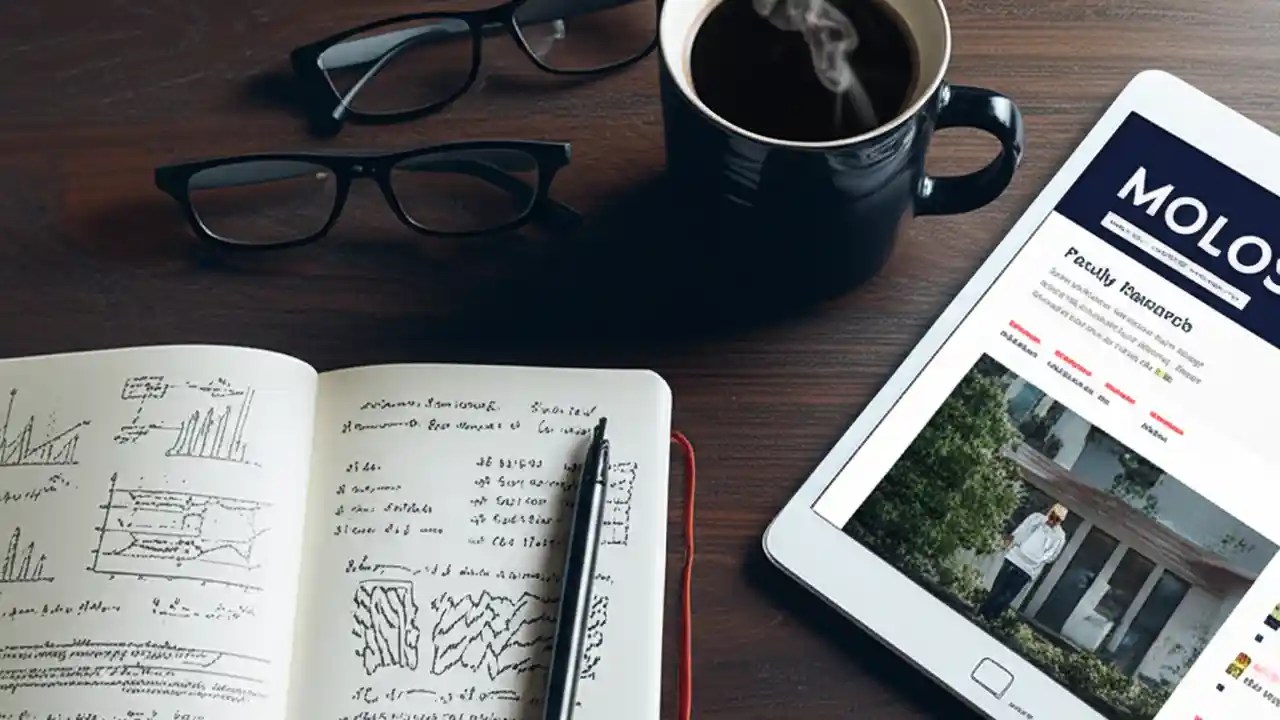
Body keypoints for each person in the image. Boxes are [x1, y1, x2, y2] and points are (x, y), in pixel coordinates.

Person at [977, 503, 1069, 620]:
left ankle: (991, 617)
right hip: (1014, 558)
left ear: (1060, 521)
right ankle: (981, 612)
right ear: (1049, 512)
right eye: (1052, 516)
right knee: (997, 588)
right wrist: (1012, 543)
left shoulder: (1059, 536)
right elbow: (1021, 530)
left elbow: (1051, 556)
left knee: (1008, 596)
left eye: (1057, 520)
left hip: (1028, 569)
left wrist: (1038, 559)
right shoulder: (1036, 518)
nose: (1052, 521)